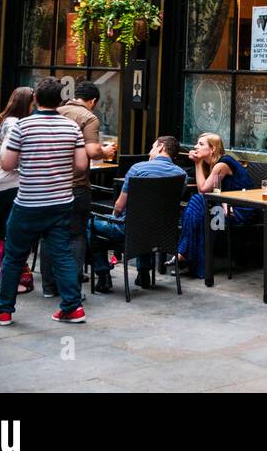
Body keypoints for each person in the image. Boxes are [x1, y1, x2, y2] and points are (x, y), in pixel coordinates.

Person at [0, 78, 88, 326]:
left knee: (14, 255)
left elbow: (7, 164)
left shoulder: (23, 127)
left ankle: (3, 310)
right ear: (60, 100)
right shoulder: (72, 128)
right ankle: (72, 308)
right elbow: (82, 165)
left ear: (37, 100)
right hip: (61, 200)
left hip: (29, 202)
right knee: (62, 253)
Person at [43, 81, 116, 298]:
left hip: (49, 184)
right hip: (75, 185)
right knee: (76, 236)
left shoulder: (56, 111)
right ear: (93, 101)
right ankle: (71, 287)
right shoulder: (88, 117)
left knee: (48, 234)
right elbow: (92, 151)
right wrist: (106, 150)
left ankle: (49, 286)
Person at [87, 136, 187, 293]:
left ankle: (103, 274)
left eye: (152, 147)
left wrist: (115, 216)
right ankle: (144, 273)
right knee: (146, 221)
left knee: (90, 224)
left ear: (161, 147)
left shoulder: (138, 169)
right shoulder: (182, 175)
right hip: (162, 233)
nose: (149, 152)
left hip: (129, 231)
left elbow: (119, 206)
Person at [0, 87, 36, 296]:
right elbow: (9, 160)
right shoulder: (15, 124)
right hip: (9, 184)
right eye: (32, 104)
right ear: (27, 104)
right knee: (11, 234)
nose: (34, 108)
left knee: (1, 231)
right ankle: (2, 282)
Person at [174, 133, 254, 278]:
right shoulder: (210, 164)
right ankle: (188, 257)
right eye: (196, 143)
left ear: (213, 149)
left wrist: (197, 163)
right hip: (221, 208)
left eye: (201, 144)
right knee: (197, 209)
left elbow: (203, 190)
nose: (196, 147)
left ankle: (186, 255)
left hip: (239, 210)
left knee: (197, 201)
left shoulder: (222, 164)